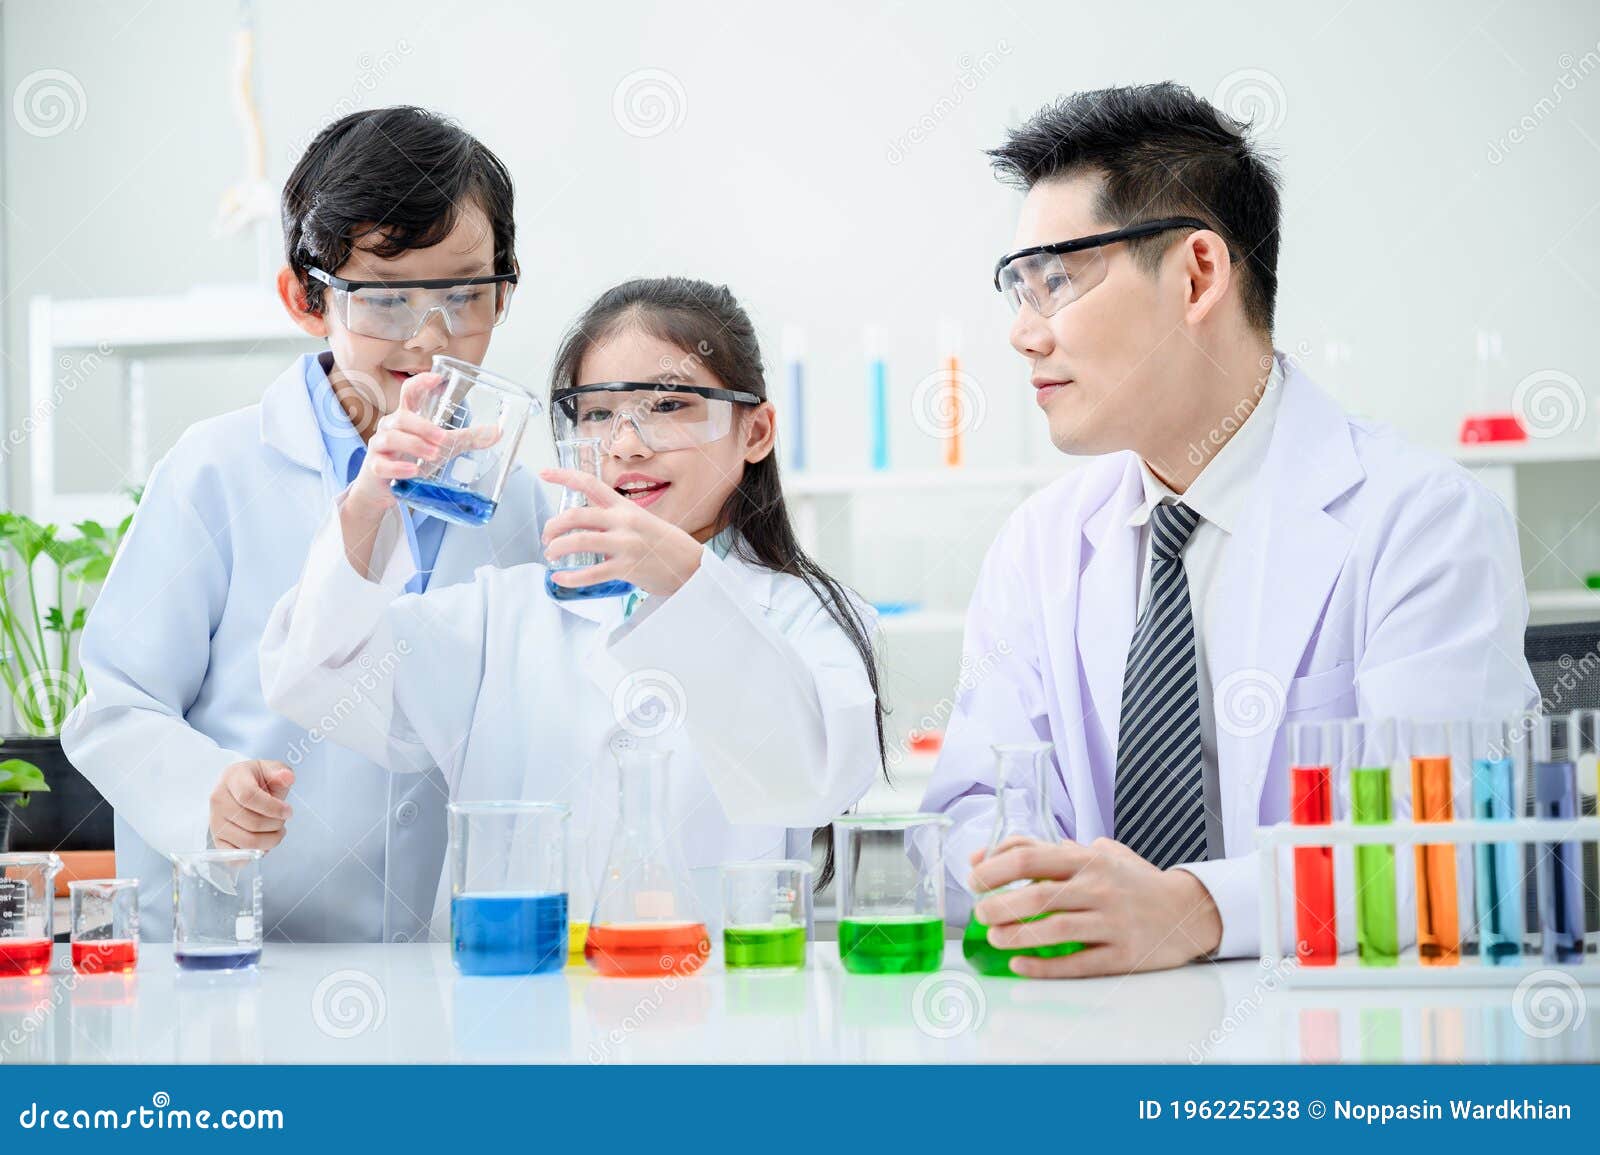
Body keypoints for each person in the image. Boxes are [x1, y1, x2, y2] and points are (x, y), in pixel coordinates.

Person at [921, 83, 1537, 976]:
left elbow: (1453, 849)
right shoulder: (1038, 545)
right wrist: (1019, 872)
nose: (1023, 333)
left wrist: (1197, 909)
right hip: (1094, 1036)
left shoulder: (1421, 521)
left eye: (1053, 280)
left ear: (1199, 273)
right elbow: (975, 801)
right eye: (1016, 287)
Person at [260, 276, 886, 931]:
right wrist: (370, 499)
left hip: (719, 1007)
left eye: (669, 404)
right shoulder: (503, 616)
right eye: (596, 412)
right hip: (514, 1004)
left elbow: (811, 779)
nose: (626, 445)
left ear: (756, 430)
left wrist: (685, 579)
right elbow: (313, 674)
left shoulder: (811, 615)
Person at [62, 107, 551, 942]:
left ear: (504, 292)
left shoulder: (523, 504)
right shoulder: (215, 471)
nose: (431, 337)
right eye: (386, 298)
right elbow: (115, 704)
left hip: (436, 955)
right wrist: (207, 791)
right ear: (305, 297)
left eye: (465, 294)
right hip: (235, 944)